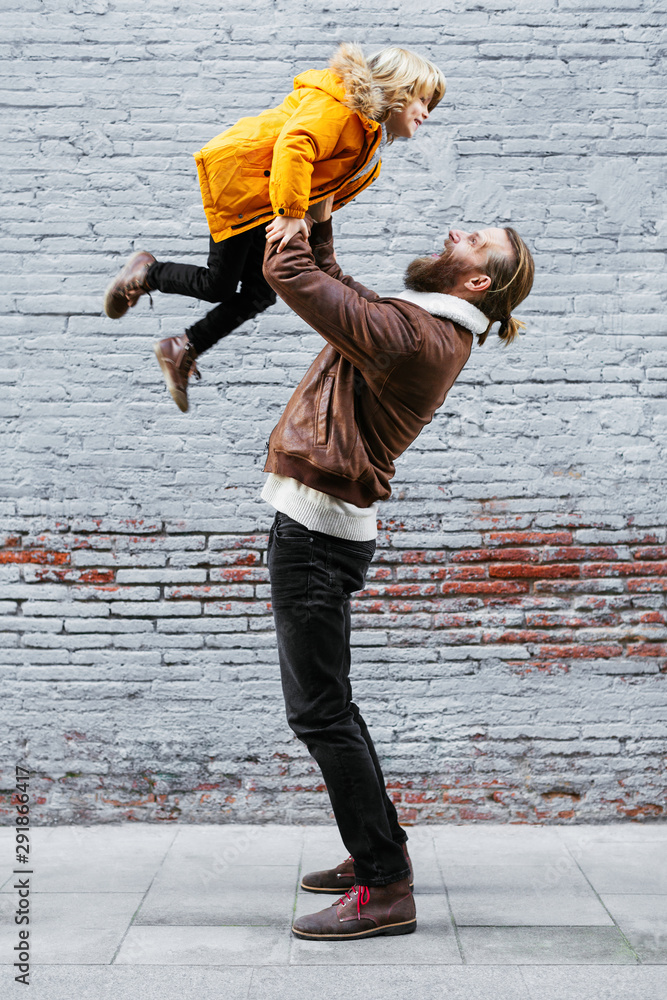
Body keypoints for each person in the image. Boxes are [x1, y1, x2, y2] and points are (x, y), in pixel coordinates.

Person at [261, 195, 535, 940]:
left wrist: (290, 209)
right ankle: (379, 851)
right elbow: (335, 283)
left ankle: (385, 887)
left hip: (316, 534)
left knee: (319, 713)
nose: (456, 231)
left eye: (473, 239)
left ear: (477, 282)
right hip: (319, 529)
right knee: (332, 708)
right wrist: (319, 216)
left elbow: (291, 274)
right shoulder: (419, 326)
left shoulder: (416, 337)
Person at [102, 43, 446, 412]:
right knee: (218, 284)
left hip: (267, 193)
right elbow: (295, 146)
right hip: (244, 181)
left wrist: (311, 223)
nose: (427, 112)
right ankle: (146, 274)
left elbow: (320, 188)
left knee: (259, 294)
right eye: (422, 100)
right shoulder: (339, 108)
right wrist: (290, 212)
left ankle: (182, 346)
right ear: (397, 89)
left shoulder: (366, 140)